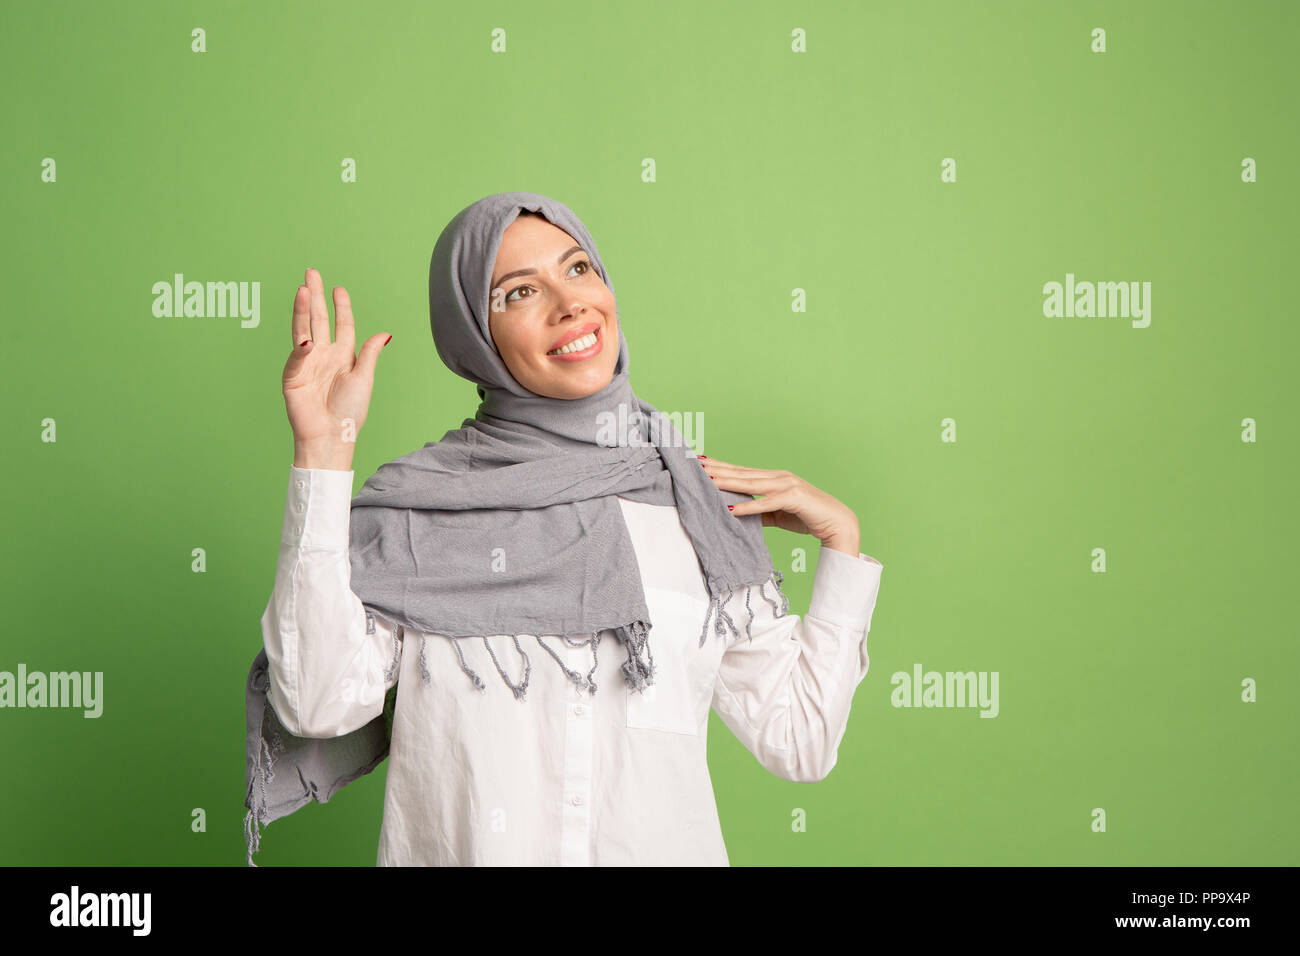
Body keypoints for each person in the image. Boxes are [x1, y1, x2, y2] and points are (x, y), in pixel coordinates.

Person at [249, 192, 883, 866]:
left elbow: (799, 740)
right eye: (520, 291)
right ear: (474, 336)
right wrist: (323, 453)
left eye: (579, 269)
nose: (569, 302)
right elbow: (317, 704)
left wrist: (844, 539)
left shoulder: (691, 505)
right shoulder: (421, 512)